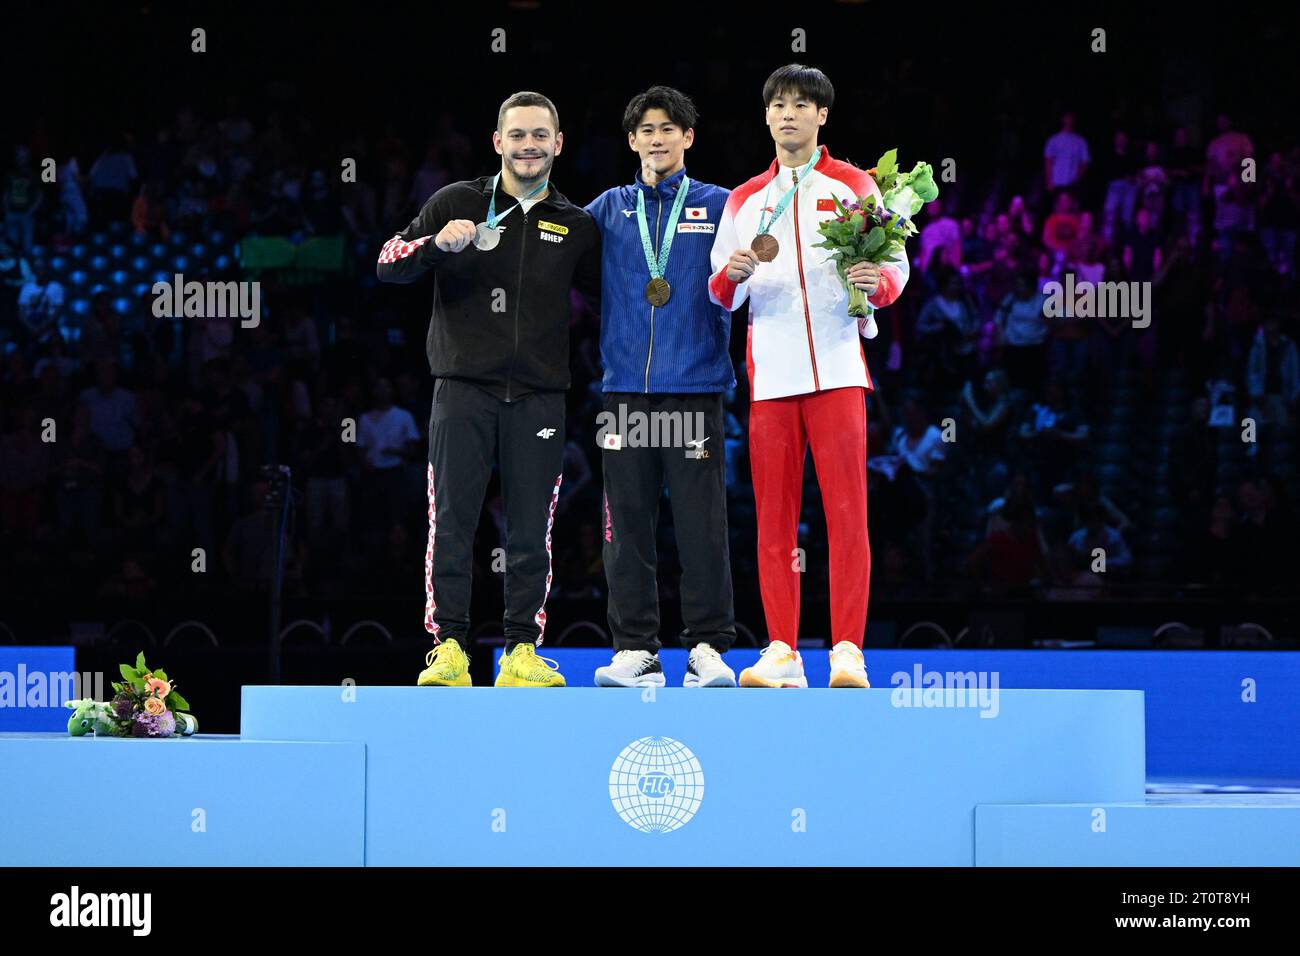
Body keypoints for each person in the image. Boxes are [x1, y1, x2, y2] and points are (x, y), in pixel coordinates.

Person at [377, 91, 600, 688]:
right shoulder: (457, 201)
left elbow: (616, 301)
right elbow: (387, 260)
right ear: (498, 142)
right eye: (517, 135)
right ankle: (449, 647)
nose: (529, 145)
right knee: (451, 520)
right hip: (463, 390)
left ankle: (522, 650)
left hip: (539, 396)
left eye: (540, 135)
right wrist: (433, 245)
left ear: (558, 144)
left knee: (531, 528)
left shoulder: (575, 225)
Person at [708, 63, 910, 688]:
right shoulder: (744, 199)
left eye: (802, 104)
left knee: (848, 514)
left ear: (823, 116)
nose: (788, 113)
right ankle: (781, 651)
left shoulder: (856, 184)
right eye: (778, 104)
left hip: (838, 372)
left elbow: (895, 269)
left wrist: (876, 285)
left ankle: (848, 647)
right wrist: (732, 275)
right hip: (771, 378)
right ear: (766, 115)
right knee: (773, 518)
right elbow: (718, 294)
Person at [584, 85, 738, 689]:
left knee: (701, 525)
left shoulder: (722, 206)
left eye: (668, 127)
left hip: (696, 388)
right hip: (623, 392)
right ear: (631, 141)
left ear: (688, 137)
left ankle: (706, 645)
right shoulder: (607, 208)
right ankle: (635, 649)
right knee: (625, 524)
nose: (657, 137)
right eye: (646, 129)